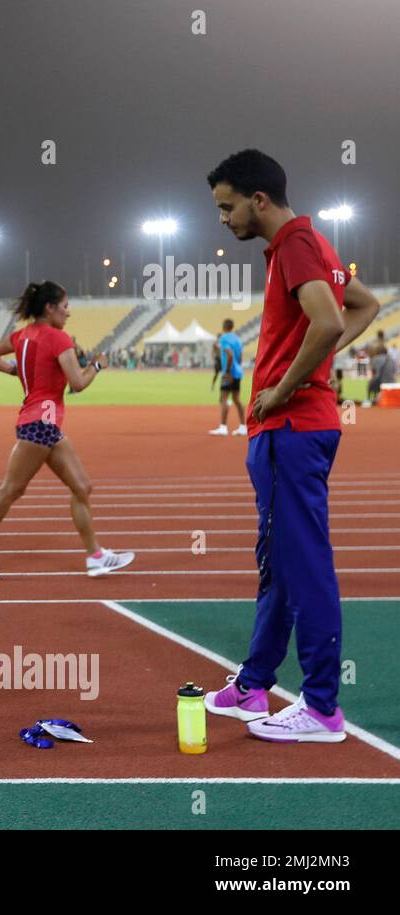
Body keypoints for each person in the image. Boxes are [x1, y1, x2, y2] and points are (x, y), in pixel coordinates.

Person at [202, 148, 380, 743]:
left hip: (292, 429)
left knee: (303, 564)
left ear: (258, 199)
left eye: (227, 207)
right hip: (297, 427)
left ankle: (323, 706)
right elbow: (366, 305)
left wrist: (286, 386)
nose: (223, 219)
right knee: (279, 560)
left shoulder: (297, 246)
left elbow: (330, 321)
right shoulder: (310, 244)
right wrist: (316, 369)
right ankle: (255, 681)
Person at [0, 281, 134, 581]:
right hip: (40, 422)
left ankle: (96, 556)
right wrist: (98, 366)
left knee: (81, 486)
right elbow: (77, 383)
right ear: (49, 308)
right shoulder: (58, 338)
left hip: (45, 423)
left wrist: (17, 371)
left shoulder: (21, 335)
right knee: (11, 489)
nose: (69, 313)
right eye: (65, 307)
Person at [210, 318, 248, 435]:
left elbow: (229, 355)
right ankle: (243, 427)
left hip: (229, 372)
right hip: (237, 372)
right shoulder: (237, 339)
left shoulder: (224, 338)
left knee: (224, 399)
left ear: (224, 326)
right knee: (237, 399)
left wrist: (227, 372)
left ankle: (223, 427)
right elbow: (240, 357)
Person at [365, 330, 396, 404]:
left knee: (371, 383)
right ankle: (375, 398)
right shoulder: (390, 358)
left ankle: (369, 400)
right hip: (393, 382)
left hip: (383, 382)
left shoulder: (376, 359)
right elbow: (394, 371)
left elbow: (376, 376)